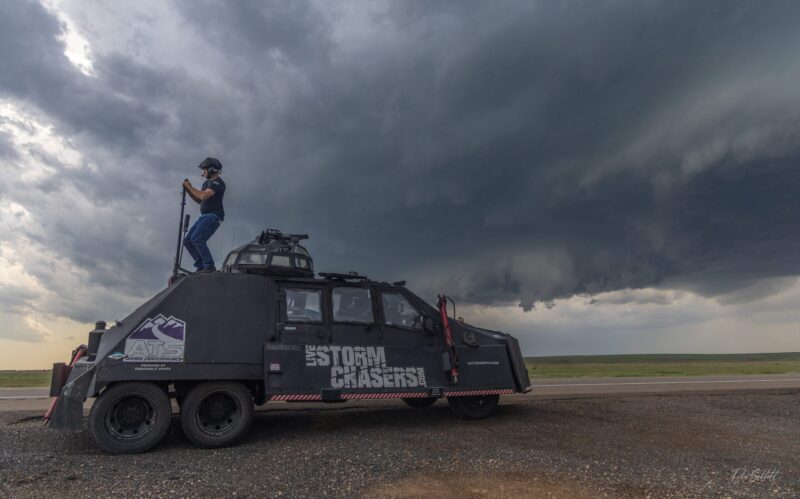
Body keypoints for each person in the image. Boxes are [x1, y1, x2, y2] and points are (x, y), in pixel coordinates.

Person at [182, 157, 226, 273]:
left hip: (213, 216)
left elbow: (203, 196)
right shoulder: (207, 183)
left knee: (197, 239)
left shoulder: (217, 183)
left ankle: (209, 266)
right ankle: (201, 266)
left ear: (212, 169)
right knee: (187, 241)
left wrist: (190, 187)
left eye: (204, 170)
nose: (203, 173)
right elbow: (199, 200)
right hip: (204, 216)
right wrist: (188, 189)